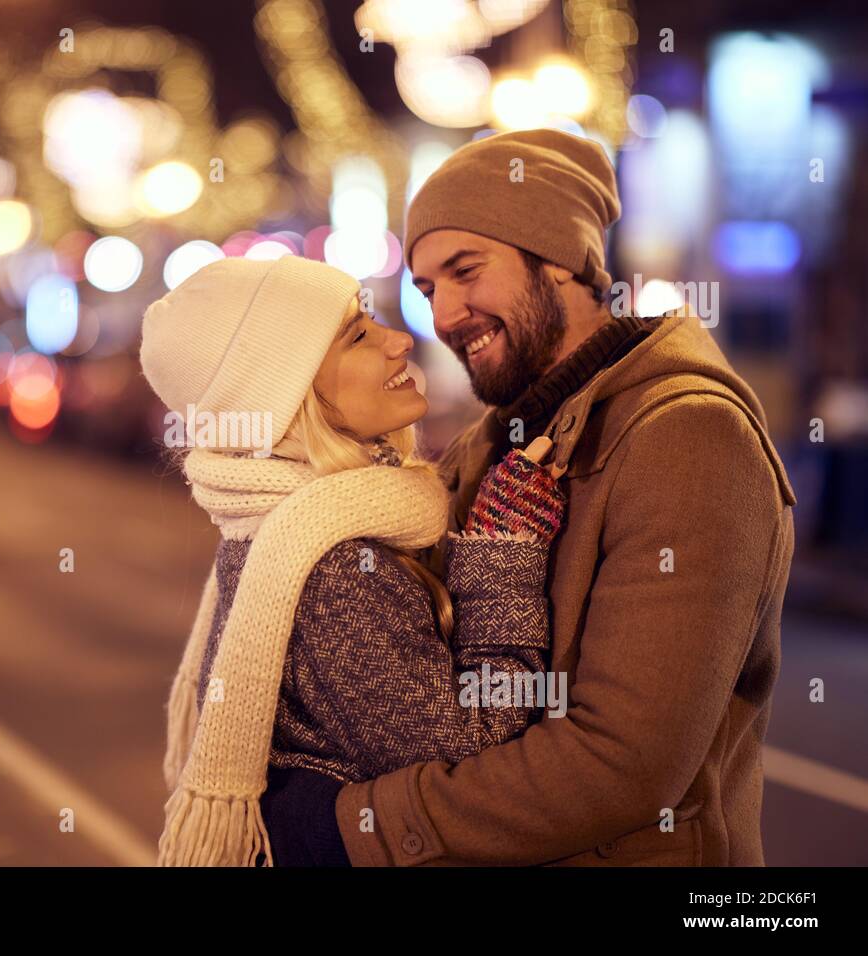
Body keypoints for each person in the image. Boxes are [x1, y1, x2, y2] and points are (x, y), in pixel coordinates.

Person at [263, 127, 797, 866]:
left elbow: (620, 766)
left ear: (562, 259)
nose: (444, 315)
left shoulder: (687, 438)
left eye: (466, 270)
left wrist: (355, 826)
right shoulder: (496, 443)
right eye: (426, 288)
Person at [139, 254, 568, 866]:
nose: (398, 338)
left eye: (368, 316)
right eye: (358, 337)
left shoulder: (292, 525)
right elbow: (470, 748)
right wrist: (504, 553)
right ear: (289, 397)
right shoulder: (331, 568)